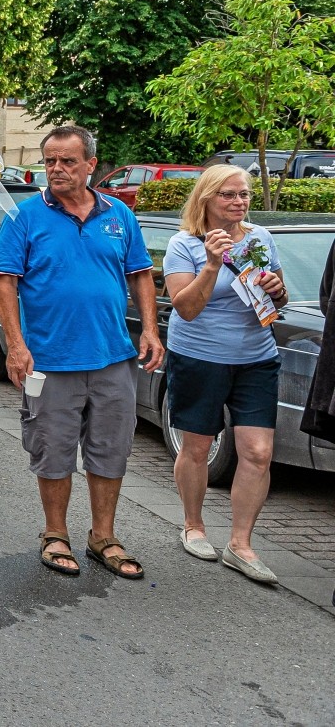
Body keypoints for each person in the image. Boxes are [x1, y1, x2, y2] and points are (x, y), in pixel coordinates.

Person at [0, 124, 163, 581]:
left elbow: (141, 274)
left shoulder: (119, 215)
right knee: (52, 450)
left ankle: (103, 537)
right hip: (49, 360)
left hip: (113, 357)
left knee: (111, 450)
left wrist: (149, 329)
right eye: (50, 161)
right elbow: (5, 282)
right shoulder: (24, 217)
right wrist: (15, 345)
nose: (57, 169)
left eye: (68, 161)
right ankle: (55, 534)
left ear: (91, 165)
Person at [164, 165, 286, 584]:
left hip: (256, 356)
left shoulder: (262, 238)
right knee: (197, 446)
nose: (239, 202)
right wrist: (212, 265)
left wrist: (276, 289)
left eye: (245, 194)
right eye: (229, 195)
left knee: (258, 452)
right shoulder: (184, 244)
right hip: (200, 357)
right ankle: (194, 526)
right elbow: (185, 308)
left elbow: (278, 296)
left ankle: (241, 544)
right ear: (206, 199)